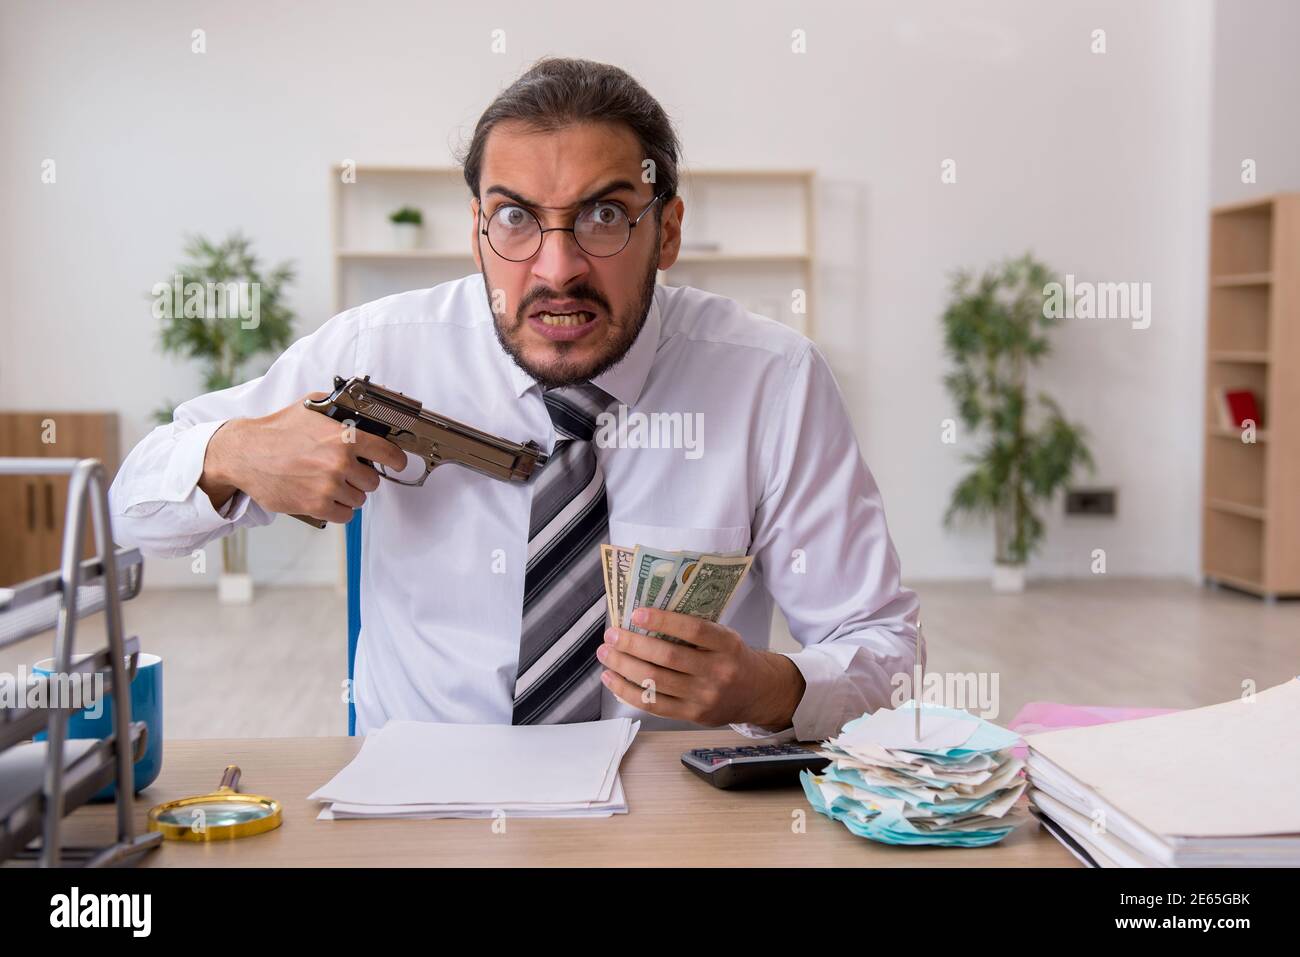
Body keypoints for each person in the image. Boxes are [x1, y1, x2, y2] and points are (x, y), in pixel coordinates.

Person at [109, 56, 921, 741]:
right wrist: (230, 457)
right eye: (516, 219)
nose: (557, 266)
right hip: (423, 811)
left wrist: (769, 689)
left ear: (667, 230)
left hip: (673, 823)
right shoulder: (376, 348)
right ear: (477, 232)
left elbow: (886, 649)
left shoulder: (772, 381)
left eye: (605, 216)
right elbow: (126, 513)